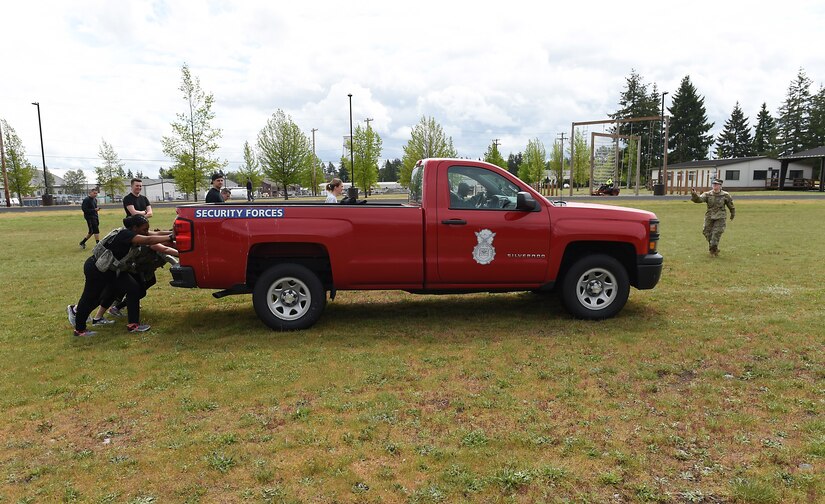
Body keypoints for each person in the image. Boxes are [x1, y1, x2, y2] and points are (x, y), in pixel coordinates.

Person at [68, 215, 173, 337]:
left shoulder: (134, 232)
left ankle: (133, 325)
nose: (146, 231)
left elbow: (153, 234)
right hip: (97, 269)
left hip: (113, 270)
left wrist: (172, 232)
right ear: (134, 228)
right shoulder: (125, 234)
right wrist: (171, 237)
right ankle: (79, 329)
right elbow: (148, 240)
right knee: (91, 298)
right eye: (144, 229)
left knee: (134, 288)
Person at [690, 178, 736, 256]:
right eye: (713, 184)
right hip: (710, 216)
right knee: (706, 232)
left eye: (716, 184)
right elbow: (699, 200)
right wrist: (694, 194)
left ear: (720, 186)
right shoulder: (707, 194)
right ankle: (714, 247)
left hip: (720, 216)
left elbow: (731, 206)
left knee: (716, 233)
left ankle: (713, 251)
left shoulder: (725, 195)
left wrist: (732, 214)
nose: (714, 186)